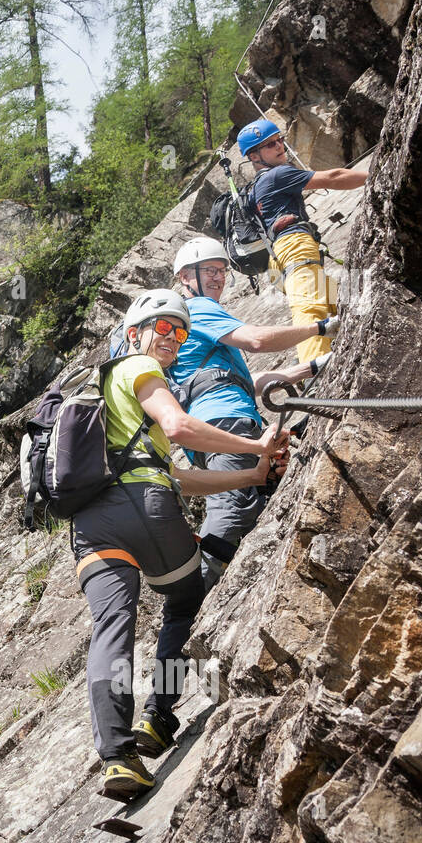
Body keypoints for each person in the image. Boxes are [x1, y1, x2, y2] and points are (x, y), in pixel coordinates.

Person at [71, 289, 289, 798]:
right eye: (163, 328)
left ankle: (117, 758)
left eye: (182, 332)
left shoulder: (108, 402)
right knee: (188, 597)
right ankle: (159, 706)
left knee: (110, 630)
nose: (172, 340)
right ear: (134, 334)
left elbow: (182, 478)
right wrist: (257, 445)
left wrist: (252, 473)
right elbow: (181, 426)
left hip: (90, 529)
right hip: (145, 510)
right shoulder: (137, 370)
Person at [169, 236, 338, 588]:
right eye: (210, 270)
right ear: (186, 277)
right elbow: (258, 340)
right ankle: (190, 602)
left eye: (222, 270)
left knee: (243, 507)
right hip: (226, 424)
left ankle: (198, 595)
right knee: (231, 511)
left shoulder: (188, 329)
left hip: (216, 428)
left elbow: (247, 381)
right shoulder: (197, 310)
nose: (218, 278)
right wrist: (319, 328)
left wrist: (311, 368)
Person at [237, 119, 367, 363]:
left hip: (277, 259)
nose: (279, 147)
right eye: (270, 145)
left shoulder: (254, 188)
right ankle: (313, 375)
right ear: (254, 156)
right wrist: (375, 175)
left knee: (340, 303)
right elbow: (333, 176)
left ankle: (347, 350)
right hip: (294, 245)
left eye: (280, 140)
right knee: (311, 310)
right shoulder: (277, 175)